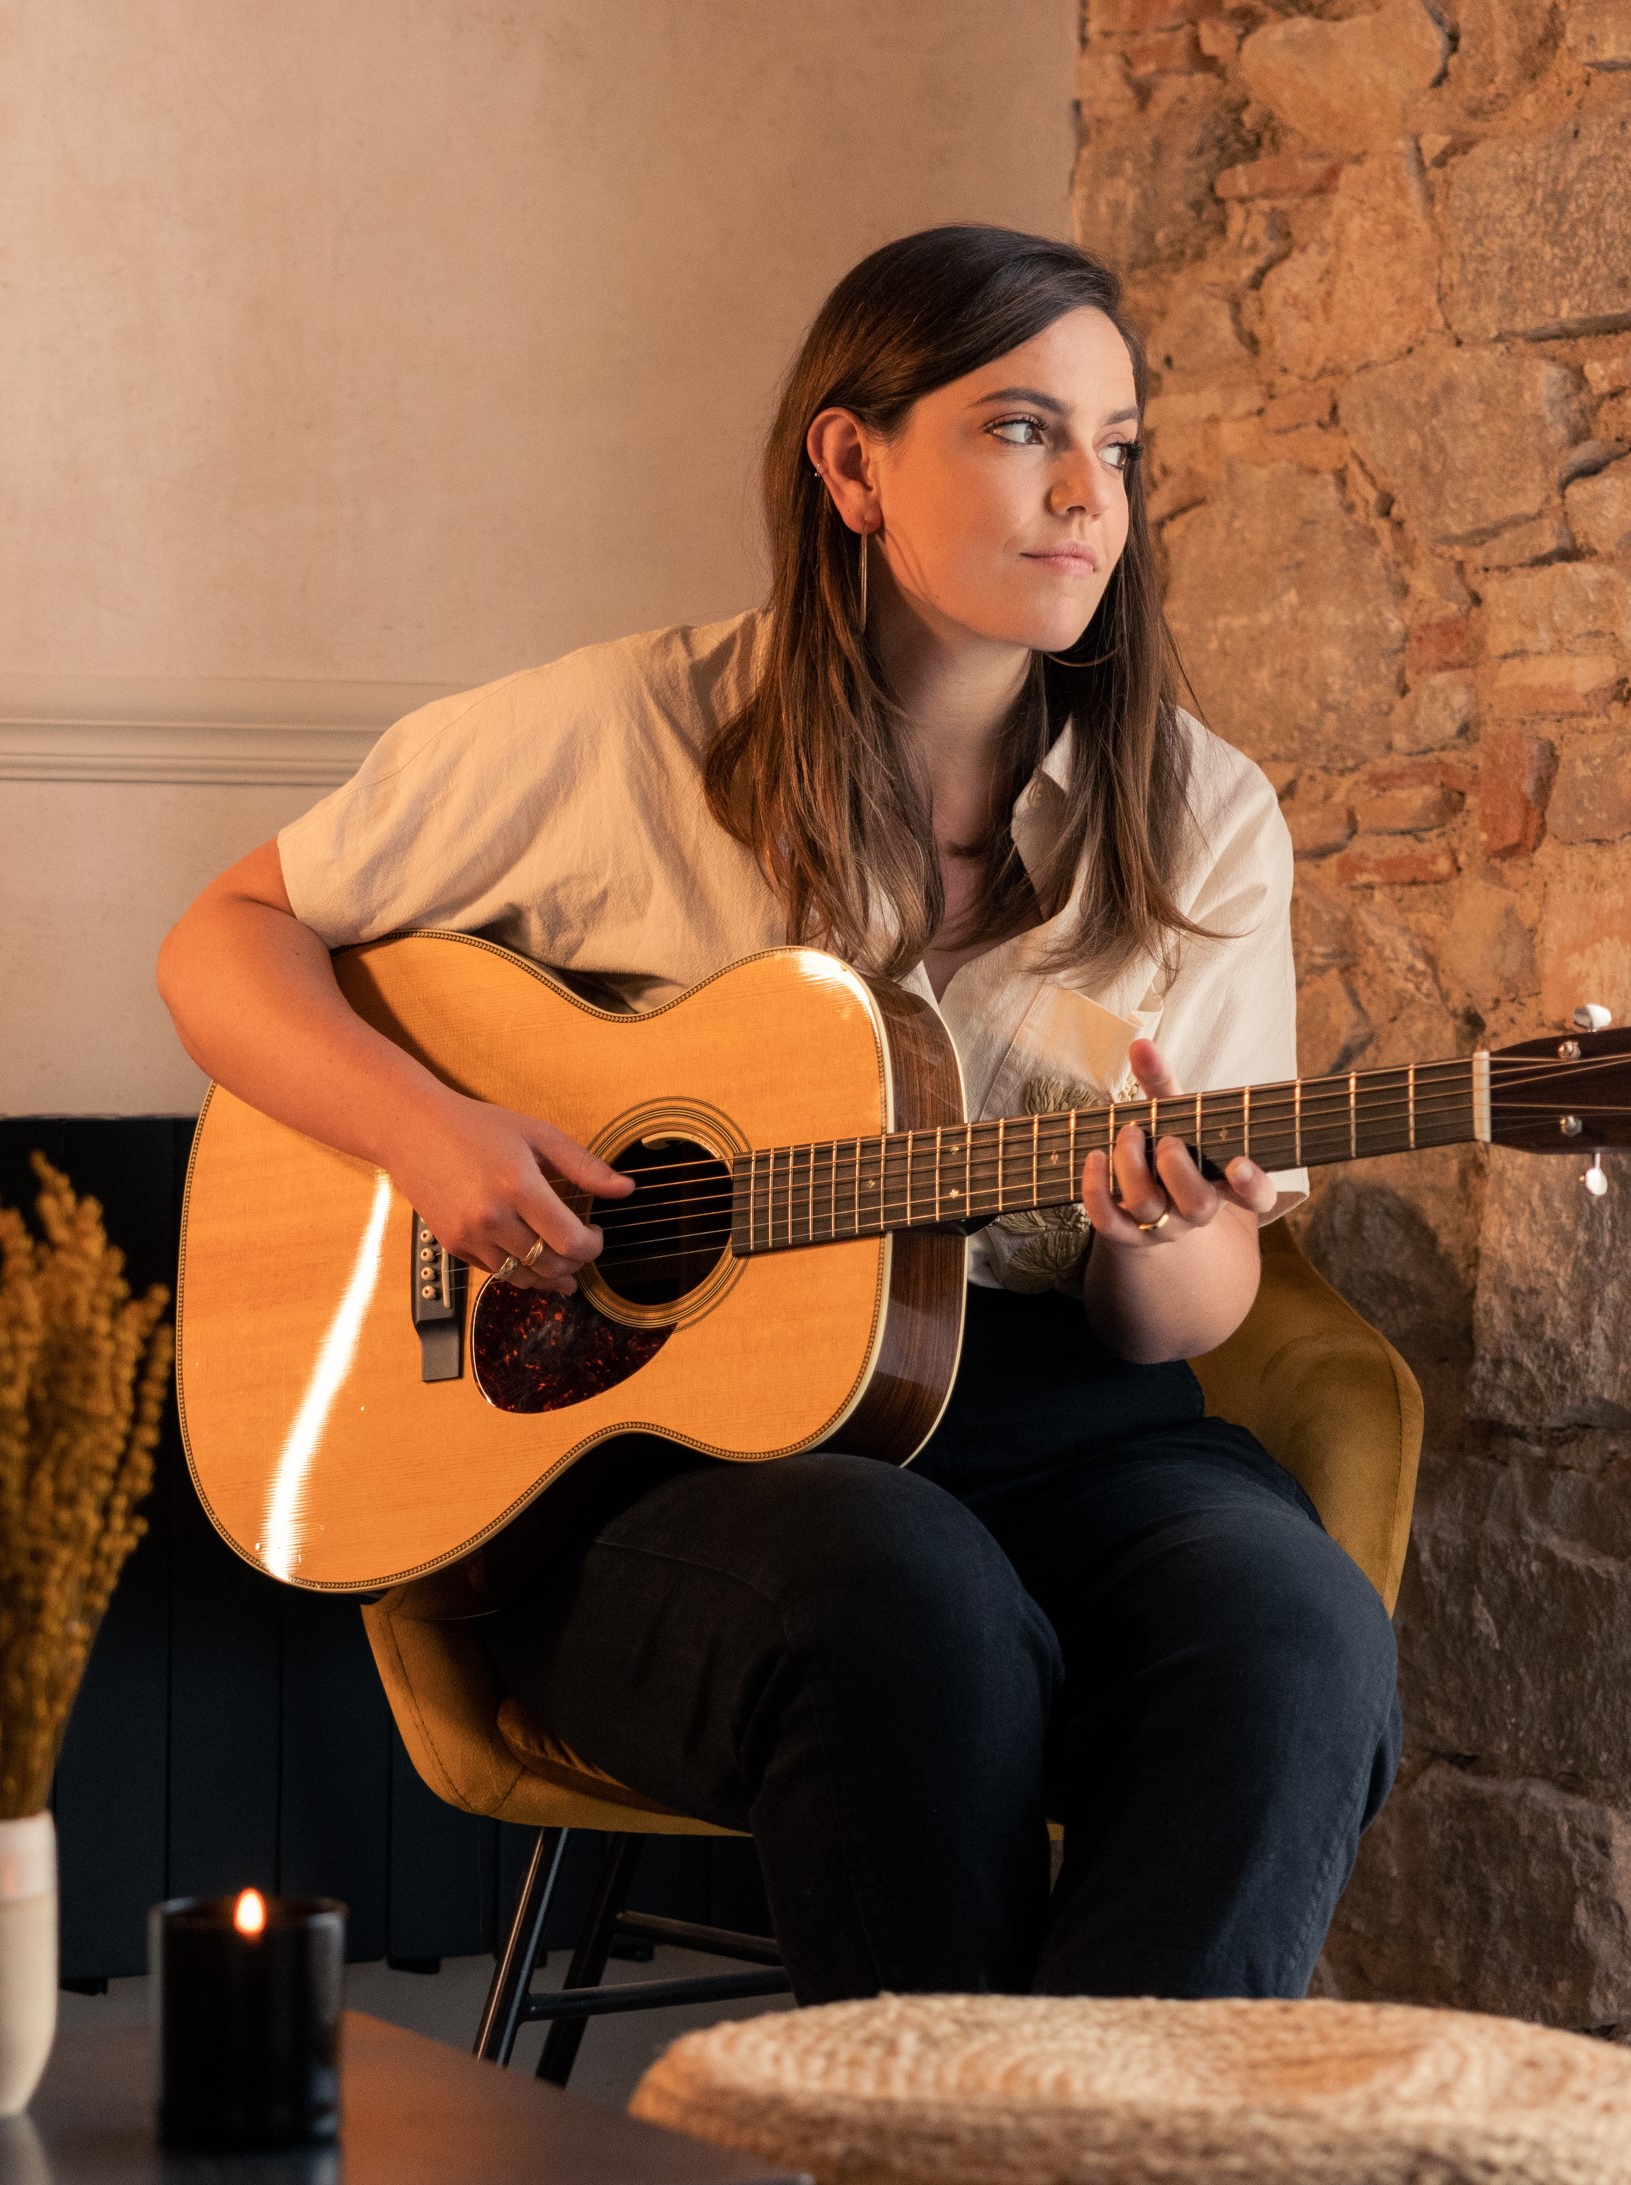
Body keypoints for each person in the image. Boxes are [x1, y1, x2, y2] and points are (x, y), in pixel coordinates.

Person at [157, 224, 1400, 2003]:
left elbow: (1182, 1325)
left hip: (1061, 1419)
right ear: (851, 464)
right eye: (1023, 429)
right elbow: (224, 939)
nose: (1087, 498)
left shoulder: (1203, 820)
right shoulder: (614, 736)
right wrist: (434, 1132)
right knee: (904, 1603)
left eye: (1118, 448)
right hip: (655, 1469)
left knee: (1297, 1638)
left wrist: (1170, 1227)